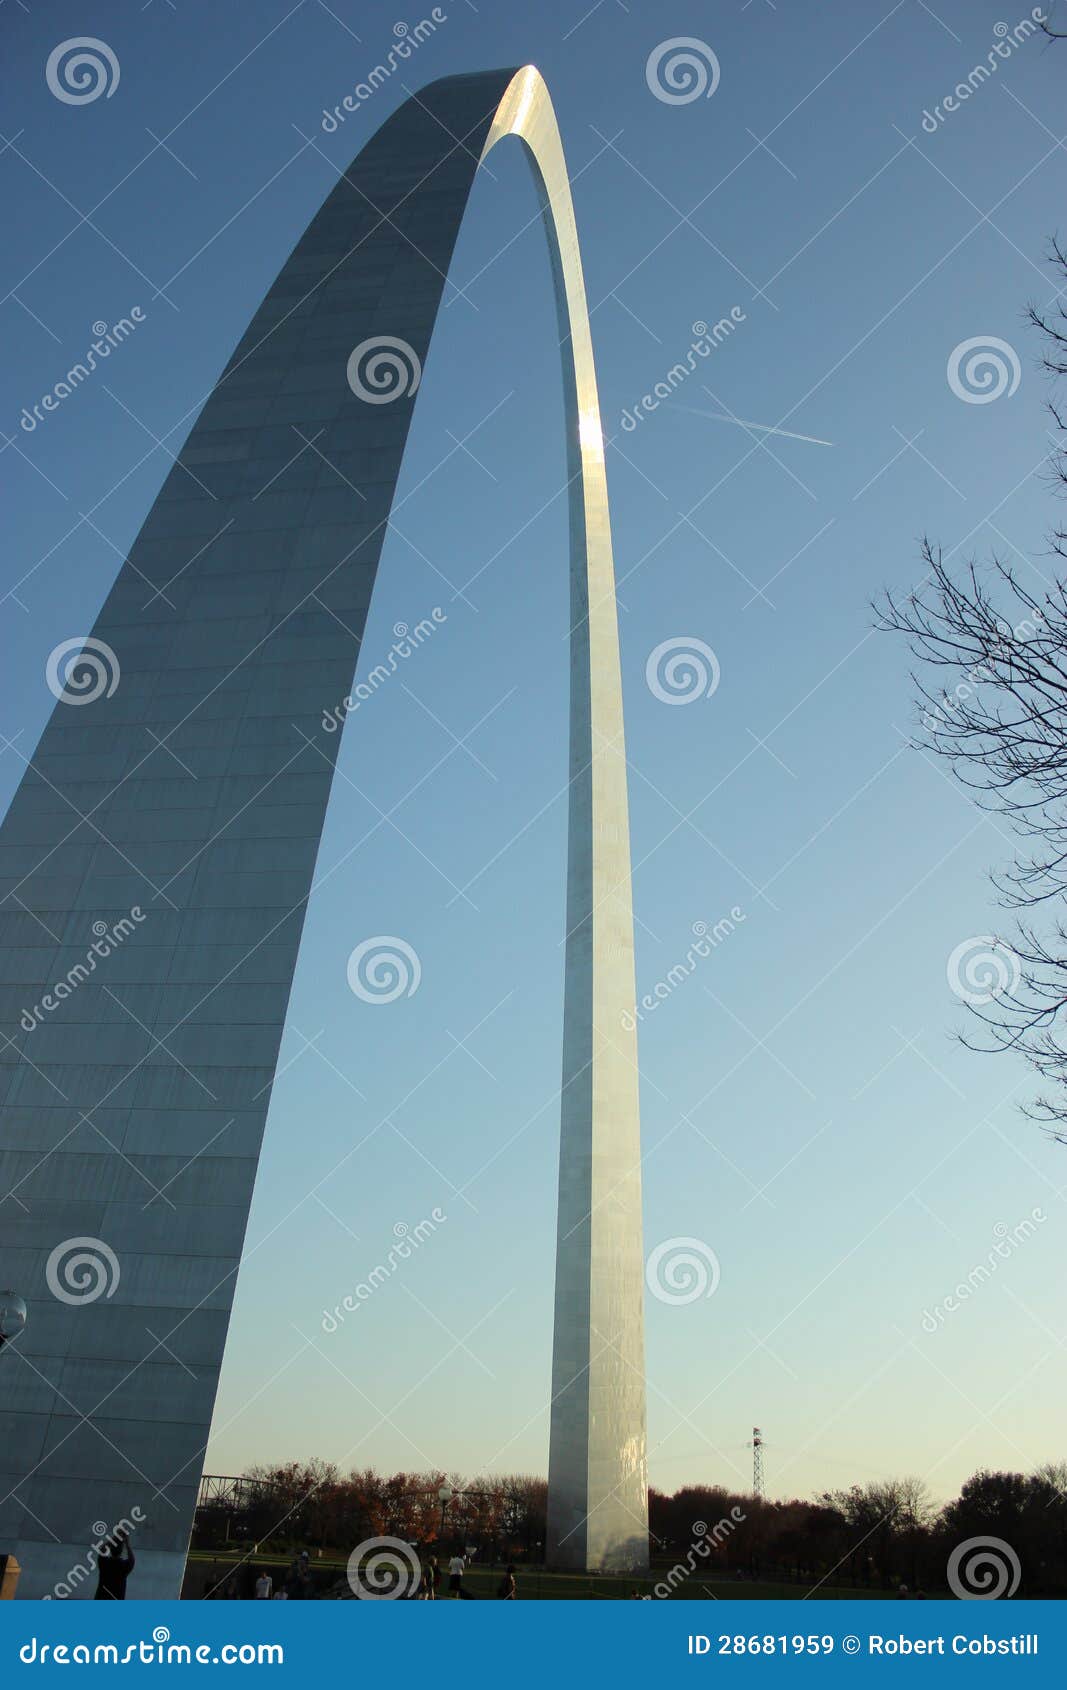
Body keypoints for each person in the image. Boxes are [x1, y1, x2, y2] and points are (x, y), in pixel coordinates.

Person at [94, 1527, 135, 1601]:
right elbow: (132, 1560)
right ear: (122, 1550)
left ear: (110, 1549)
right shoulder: (124, 1567)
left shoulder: (104, 1563)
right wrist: (127, 1543)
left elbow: (102, 1550)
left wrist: (114, 1538)